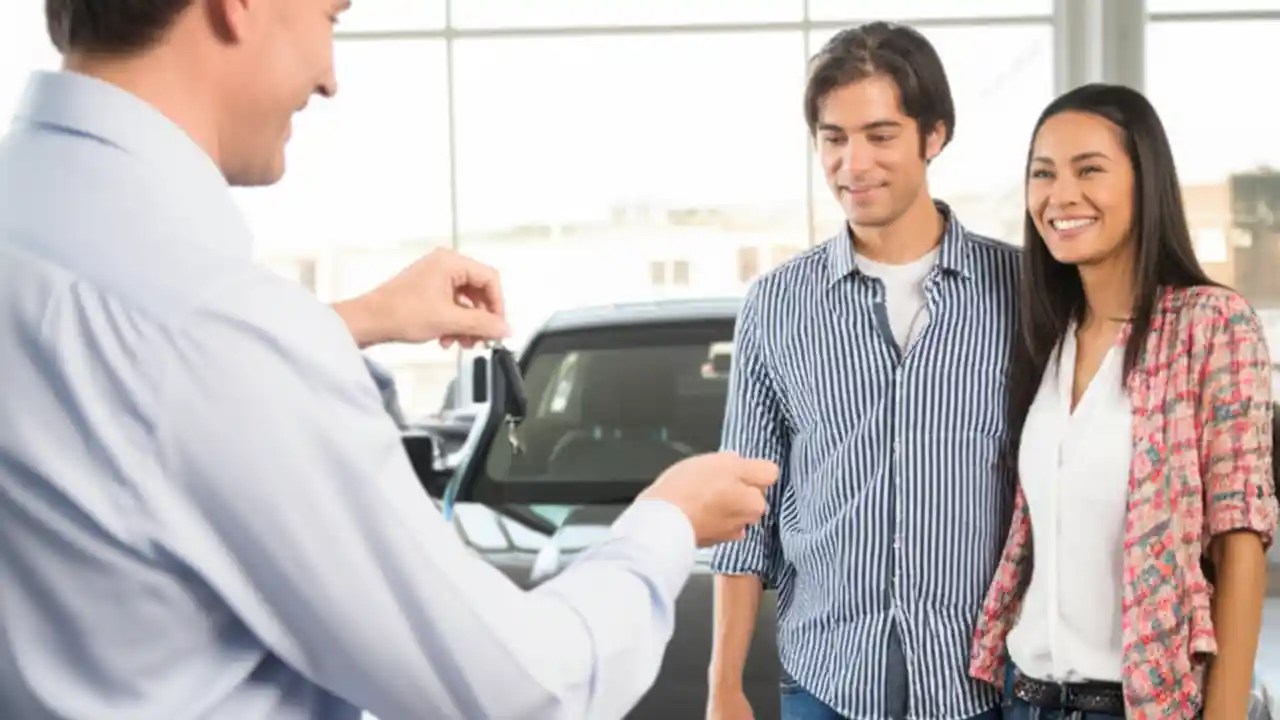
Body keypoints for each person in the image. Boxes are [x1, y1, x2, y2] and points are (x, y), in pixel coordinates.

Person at [0, 2, 780, 719]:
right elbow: (523, 692)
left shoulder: (51, 241)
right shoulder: (216, 328)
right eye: (331, 14)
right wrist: (669, 520)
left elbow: (116, 376)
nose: (330, 77)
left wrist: (350, 321)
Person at [706, 21, 1021, 720]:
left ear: (933, 136)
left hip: (981, 686)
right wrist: (724, 685)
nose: (854, 164)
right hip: (827, 682)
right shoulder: (776, 305)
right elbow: (742, 515)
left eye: (880, 136)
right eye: (834, 138)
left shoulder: (1021, 292)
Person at [967, 83, 1278, 719]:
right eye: (1043, 174)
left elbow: (1240, 543)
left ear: (1145, 180)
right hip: (1021, 698)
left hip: (1135, 707)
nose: (1061, 197)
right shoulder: (1048, 337)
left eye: (1090, 171)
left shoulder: (1211, 325)